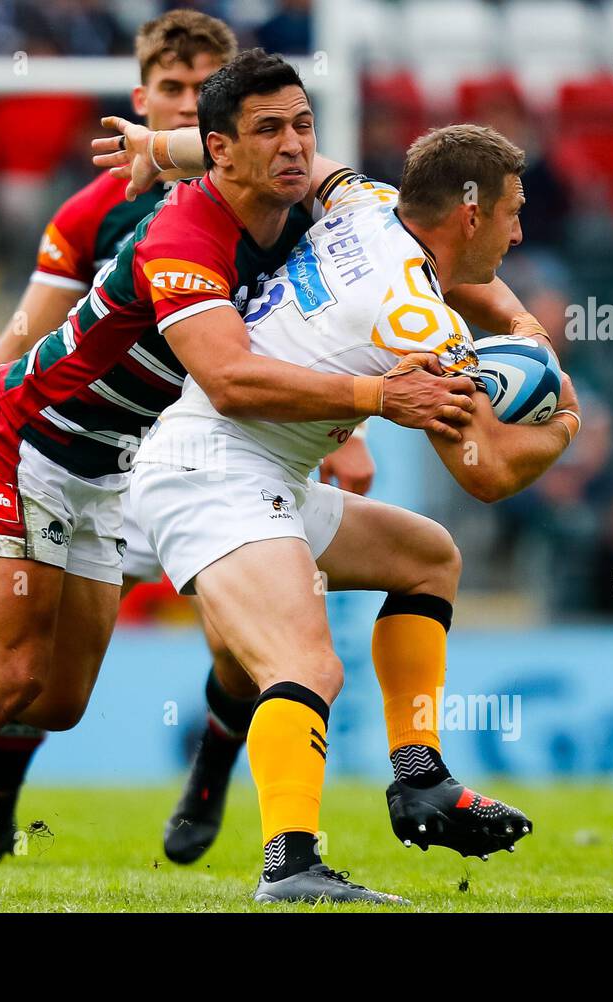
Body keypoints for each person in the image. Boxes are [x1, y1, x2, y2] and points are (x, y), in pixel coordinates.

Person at [0, 49, 522, 901]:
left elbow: (432, 249)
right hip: (20, 438)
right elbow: (231, 380)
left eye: (303, 126)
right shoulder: (181, 237)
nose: (295, 148)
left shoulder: (302, 201)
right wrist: (375, 397)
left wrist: (516, 316)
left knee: (55, 700)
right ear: (223, 151)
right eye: (269, 131)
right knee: (10, 675)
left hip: (110, 466)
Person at [116, 118, 576, 901]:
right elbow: (488, 472)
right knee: (304, 665)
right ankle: (290, 866)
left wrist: (159, 148)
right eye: (513, 211)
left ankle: (421, 777)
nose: (520, 229)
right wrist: (565, 420)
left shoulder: (366, 204)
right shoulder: (417, 323)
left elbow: (285, 159)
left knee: (427, 557)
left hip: (250, 462)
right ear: (470, 215)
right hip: (212, 470)